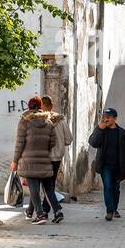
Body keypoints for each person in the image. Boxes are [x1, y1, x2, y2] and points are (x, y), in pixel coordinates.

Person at [11, 96, 60, 224]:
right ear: (40, 106)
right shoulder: (48, 122)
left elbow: (19, 143)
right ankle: (33, 212)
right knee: (46, 187)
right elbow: (52, 142)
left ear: (29, 107)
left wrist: (15, 161)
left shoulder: (24, 121)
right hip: (44, 160)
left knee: (33, 188)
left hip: (28, 161)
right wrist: (44, 149)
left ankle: (40, 214)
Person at [88, 107, 125, 221]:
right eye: (104, 117)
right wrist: (99, 129)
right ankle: (110, 210)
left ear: (114, 118)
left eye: (108, 117)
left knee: (115, 189)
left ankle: (114, 208)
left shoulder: (121, 132)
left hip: (118, 166)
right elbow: (93, 143)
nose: (106, 119)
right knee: (107, 187)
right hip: (105, 166)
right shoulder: (102, 130)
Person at [39, 94, 71, 222]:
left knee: (47, 186)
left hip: (45, 157)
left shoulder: (41, 121)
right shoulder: (61, 120)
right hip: (57, 158)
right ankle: (45, 210)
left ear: (42, 106)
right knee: (50, 184)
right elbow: (69, 139)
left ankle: (57, 211)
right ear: (52, 106)